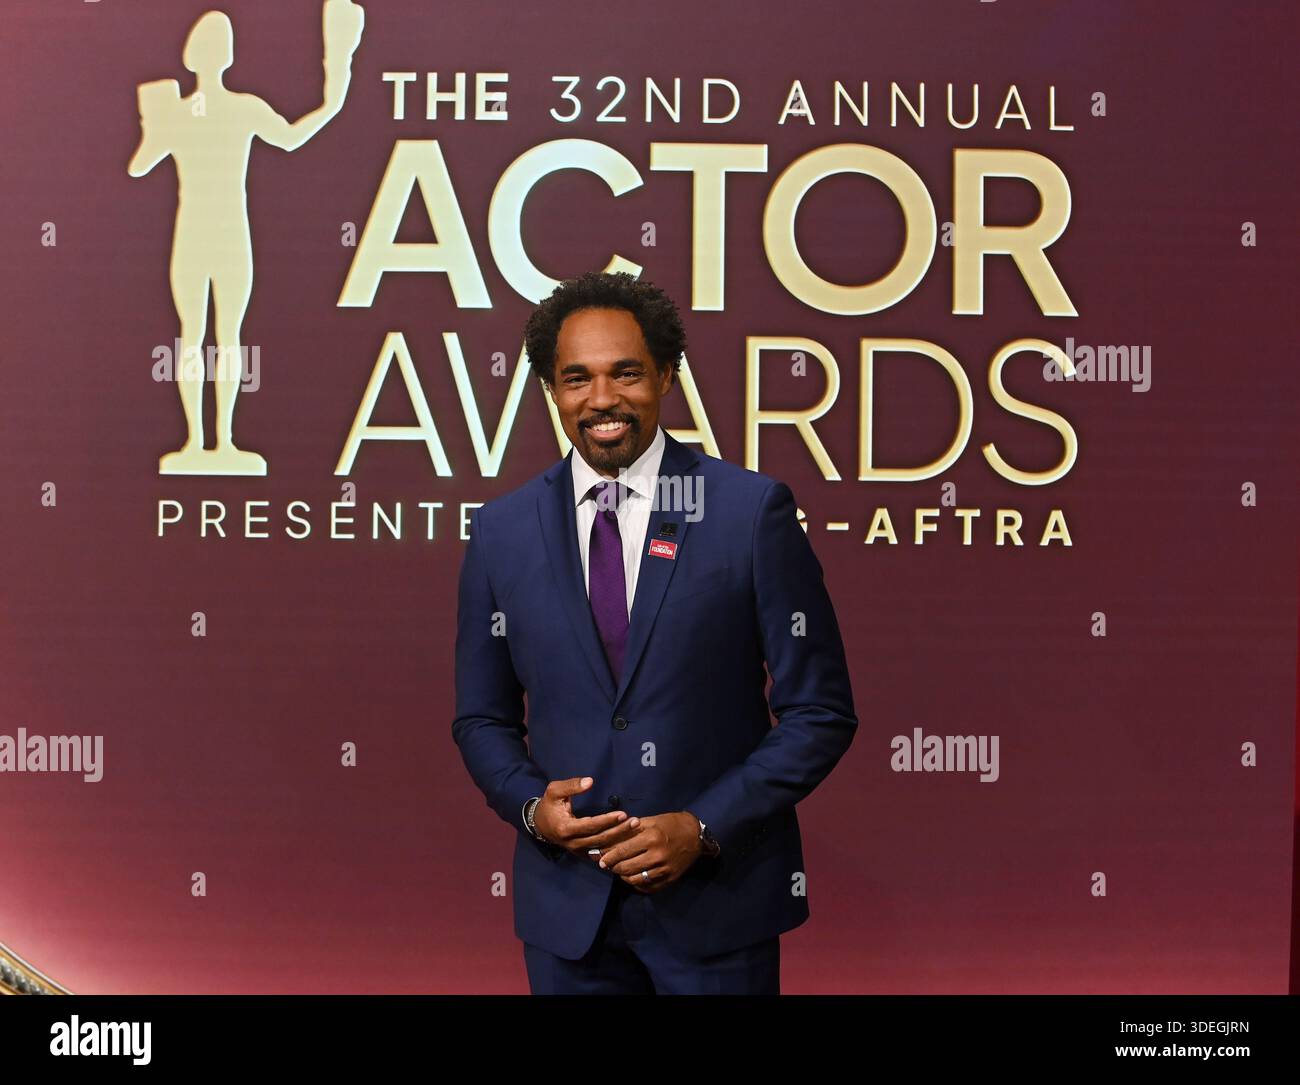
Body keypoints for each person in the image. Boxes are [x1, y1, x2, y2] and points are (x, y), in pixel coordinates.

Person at [452, 271, 858, 994]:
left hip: (716, 911)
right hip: (568, 921)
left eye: (626, 373)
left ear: (667, 375)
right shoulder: (501, 531)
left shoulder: (749, 511)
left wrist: (700, 826)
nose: (602, 399)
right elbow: (481, 717)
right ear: (551, 389)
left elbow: (819, 713)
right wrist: (533, 809)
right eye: (576, 378)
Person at [128, 0, 364, 476]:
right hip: (196, 237)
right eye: (208, 44)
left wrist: (337, 77)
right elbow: (139, 165)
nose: (214, 52)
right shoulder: (180, 110)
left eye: (220, 45)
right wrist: (156, 122)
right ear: (195, 56)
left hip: (229, 237)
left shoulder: (241, 108)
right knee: (194, 338)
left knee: (224, 340)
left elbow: (294, 136)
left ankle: (223, 442)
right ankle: (197, 441)